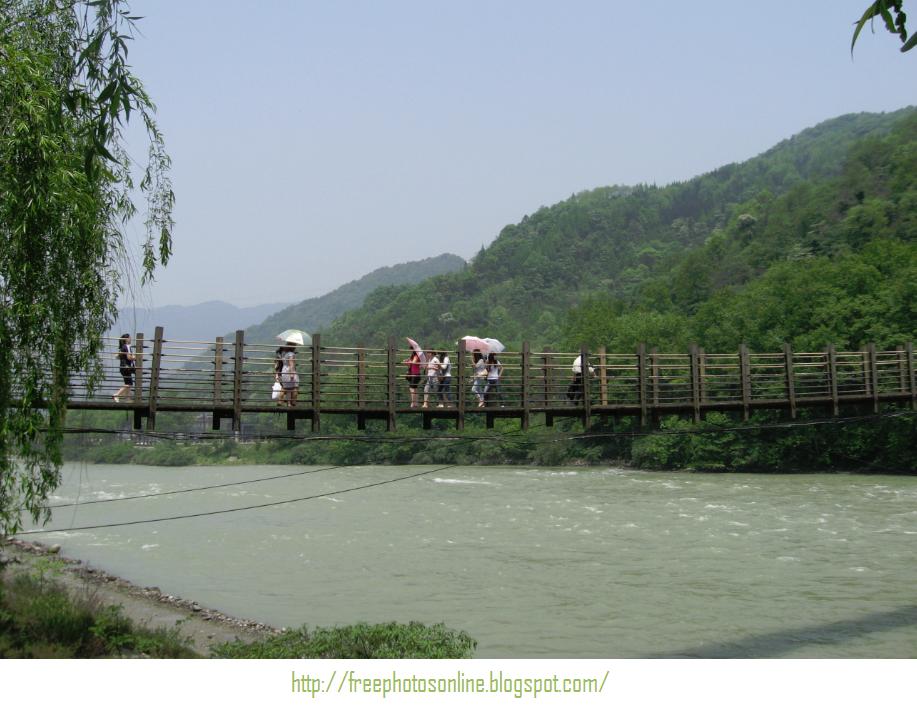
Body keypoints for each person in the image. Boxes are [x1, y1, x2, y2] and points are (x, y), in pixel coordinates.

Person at [112, 333, 135, 402]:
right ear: (126, 339)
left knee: (128, 383)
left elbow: (117, 357)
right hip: (126, 367)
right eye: (130, 338)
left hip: (123, 367)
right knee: (129, 384)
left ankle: (128, 398)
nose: (131, 339)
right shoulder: (127, 346)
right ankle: (117, 395)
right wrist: (136, 357)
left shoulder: (122, 347)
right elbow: (129, 357)